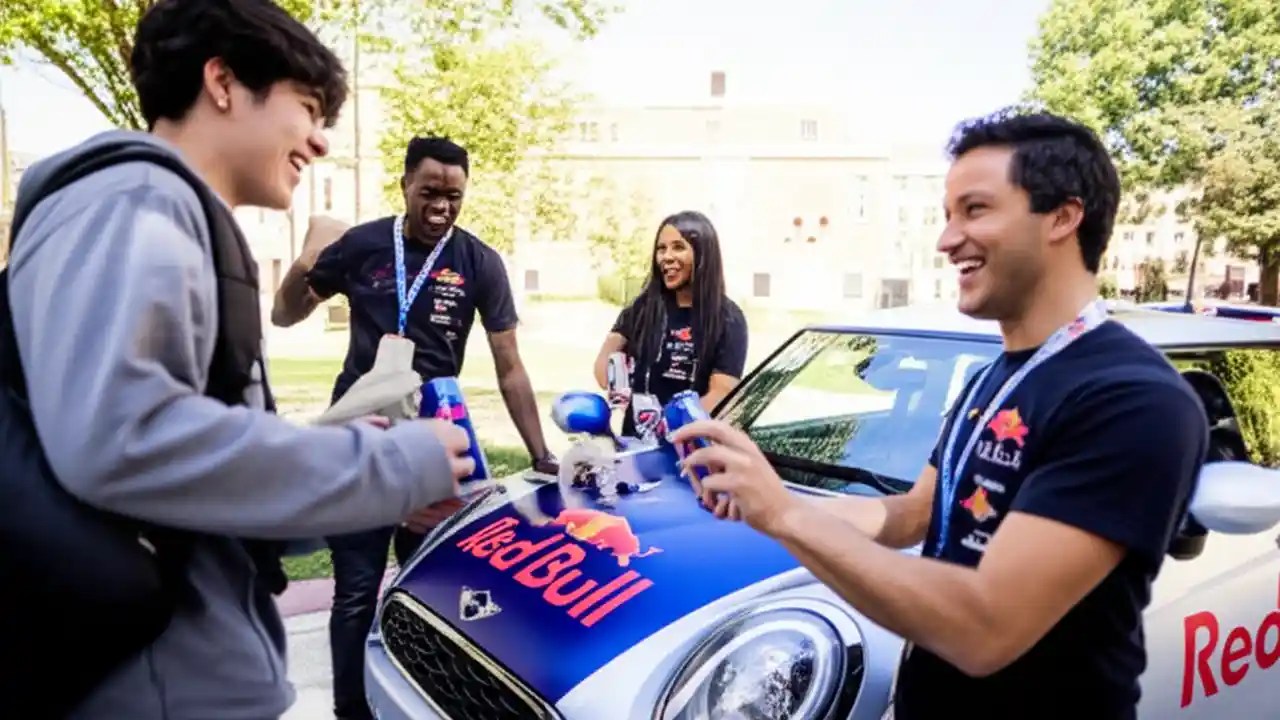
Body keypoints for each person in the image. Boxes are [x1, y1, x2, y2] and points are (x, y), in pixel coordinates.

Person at [3, 1, 474, 718]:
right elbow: (123, 441)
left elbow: (190, 486)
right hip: (151, 686)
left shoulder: (165, 211)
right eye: (308, 108)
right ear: (222, 81)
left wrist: (350, 463)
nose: (318, 143)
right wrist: (389, 465)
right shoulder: (136, 202)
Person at [671, 111, 1209, 719]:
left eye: (975, 210)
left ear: (1063, 216)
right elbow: (912, 515)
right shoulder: (995, 374)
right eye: (947, 214)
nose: (946, 240)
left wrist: (789, 513)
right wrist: (761, 503)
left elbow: (986, 627)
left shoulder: (1133, 398)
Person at [271, 135, 558, 720]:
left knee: (442, 588)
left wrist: (541, 452)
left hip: (435, 449)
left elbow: (510, 365)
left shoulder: (479, 262)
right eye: (429, 192)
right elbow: (285, 313)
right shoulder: (364, 246)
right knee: (356, 590)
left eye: (454, 196)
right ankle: (352, 712)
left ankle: (425, 700)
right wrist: (305, 263)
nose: (441, 207)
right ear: (403, 185)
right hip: (363, 436)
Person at [592, 210, 748, 440]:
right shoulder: (642, 308)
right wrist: (617, 372)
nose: (666, 257)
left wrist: (670, 428)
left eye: (678, 247)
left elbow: (721, 394)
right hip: (637, 448)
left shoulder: (728, 319)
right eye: (661, 249)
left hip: (692, 453)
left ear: (703, 254)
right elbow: (602, 371)